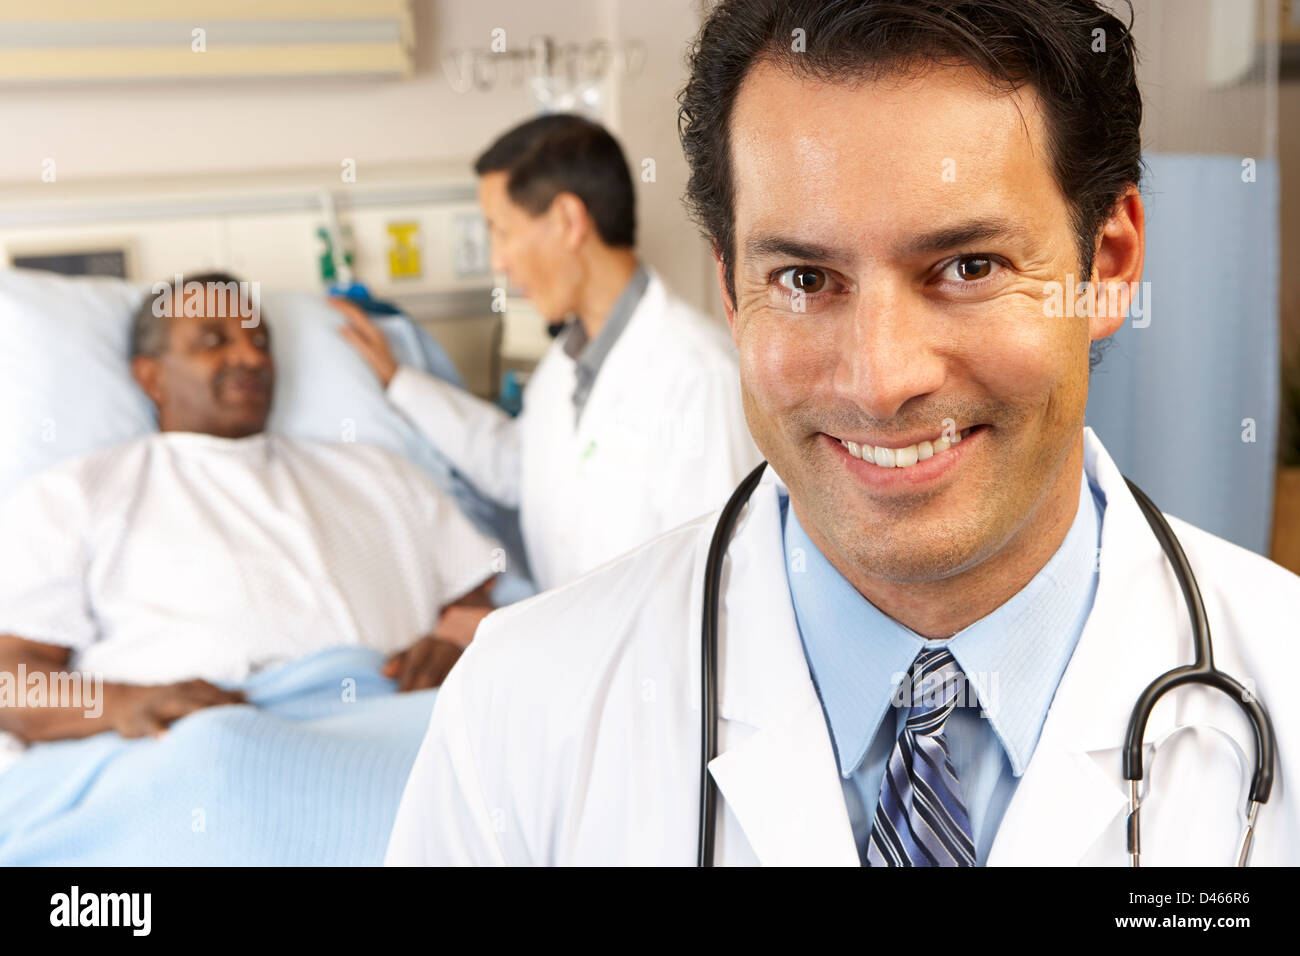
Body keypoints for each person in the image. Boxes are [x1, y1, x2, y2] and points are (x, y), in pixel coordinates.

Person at [385, 0, 1300, 866]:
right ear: (730, 291)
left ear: (1108, 264)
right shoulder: (518, 710)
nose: (881, 380)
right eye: (804, 279)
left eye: (968, 266)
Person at [0, 273, 498, 770]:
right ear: (150, 376)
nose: (251, 358)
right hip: (203, 750)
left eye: (261, 341)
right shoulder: (78, 493)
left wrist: (453, 641)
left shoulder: (379, 473)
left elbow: (478, 596)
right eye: (215, 341)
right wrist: (128, 704)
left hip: (403, 727)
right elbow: (11, 681)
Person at [338, 113, 760, 602]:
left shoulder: (700, 375)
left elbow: (716, 583)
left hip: (654, 671)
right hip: (576, 654)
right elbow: (520, 468)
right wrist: (401, 383)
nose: (498, 259)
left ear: (567, 220)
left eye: (501, 230)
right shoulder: (564, 365)